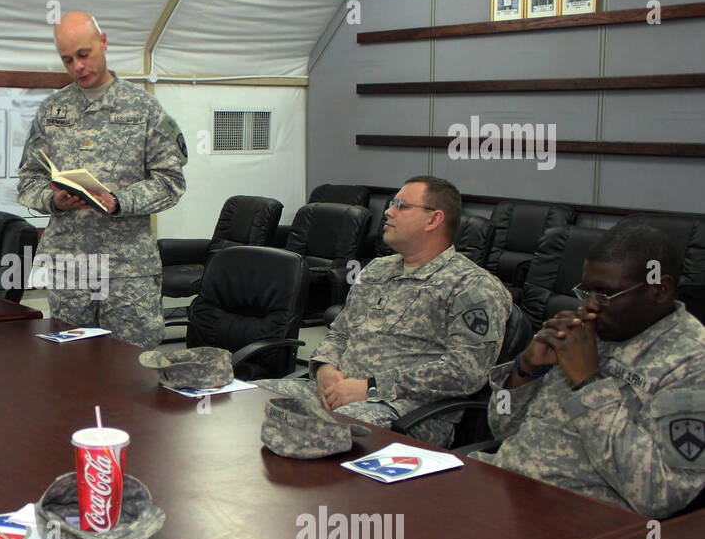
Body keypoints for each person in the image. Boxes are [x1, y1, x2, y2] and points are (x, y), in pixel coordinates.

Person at [474, 222, 705, 518]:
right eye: (588, 291)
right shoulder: (583, 331)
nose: (591, 306)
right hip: (504, 483)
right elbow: (502, 428)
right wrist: (524, 371)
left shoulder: (690, 362)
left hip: (575, 517)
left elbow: (661, 495)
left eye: (606, 294)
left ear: (659, 289)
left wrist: (587, 383)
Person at [261, 176, 510, 446]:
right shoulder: (377, 270)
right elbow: (340, 332)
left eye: (401, 205)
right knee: (248, 399)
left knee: (319, 434)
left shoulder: (473, 286)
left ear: (433, 220)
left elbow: (465, 372)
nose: (388, 212)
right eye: (392, 204)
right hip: (335, 392)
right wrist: (325, 369)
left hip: (403, 410)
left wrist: (371, 387)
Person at [16, 11, 187, 349]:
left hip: (128, 268)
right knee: (71, 363)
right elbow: (28, 180)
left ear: (103, 42)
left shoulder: (144, 109)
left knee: (132, 364)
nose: (78, 66)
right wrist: (54, 201)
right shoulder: (52, 111)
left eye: (84, 54)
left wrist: (119, 201)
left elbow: (170, 182)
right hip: (70, 267)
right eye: (67, 60)